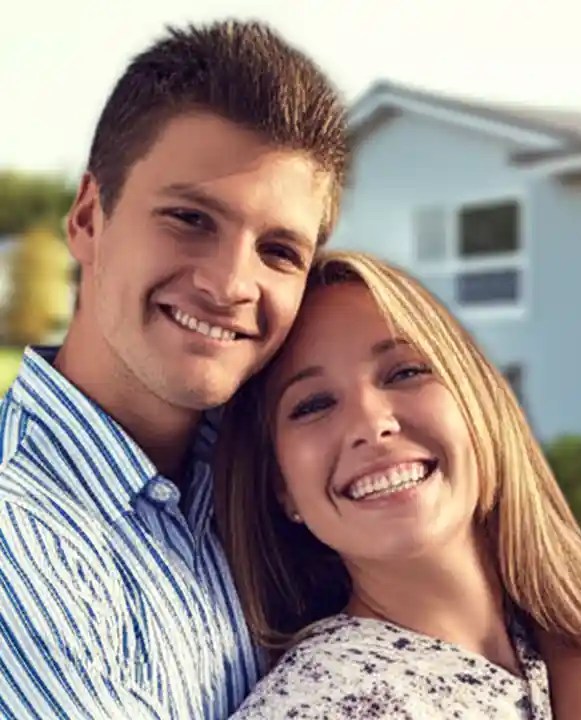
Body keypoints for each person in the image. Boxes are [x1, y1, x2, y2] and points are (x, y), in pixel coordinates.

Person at [0, 19, 347, 719]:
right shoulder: (18, 535)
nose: (229, 285)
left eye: (279, 251)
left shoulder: (284, 471)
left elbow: (523, 587)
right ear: (90, 218)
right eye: (190, 218)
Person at [213, 251, 581, 719]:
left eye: (405, 372)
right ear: (281, 487)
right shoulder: (316, 704)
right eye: (312, 405)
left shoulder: (567, 635)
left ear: (477, 400)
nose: (371, 423)